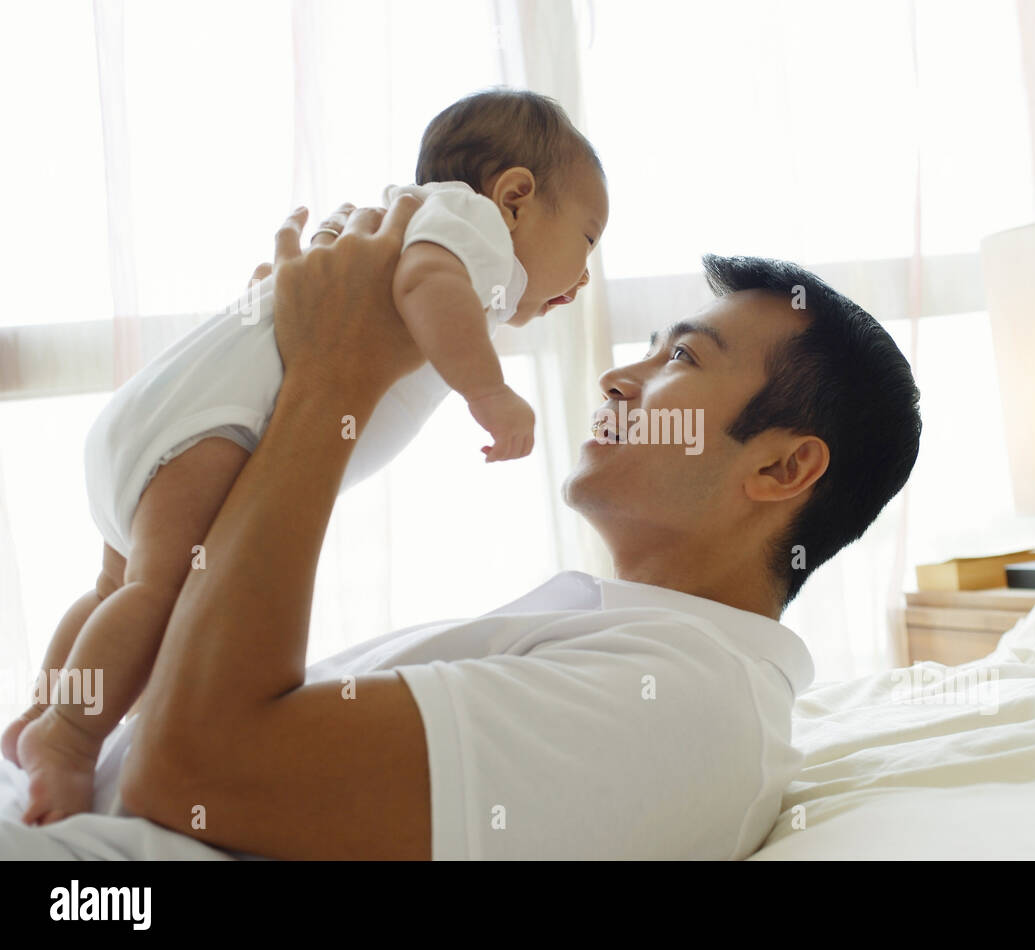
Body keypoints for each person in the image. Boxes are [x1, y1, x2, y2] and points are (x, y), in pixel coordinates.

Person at [28, 201, 922, 859]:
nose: (618, 377)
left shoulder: (696, 703)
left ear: (780, 469)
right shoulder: (627, 643)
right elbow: (169, 734)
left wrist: (331, 379)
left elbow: (194, 771)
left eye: (681, 357)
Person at [2, 89, 609, 826]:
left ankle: (42, 709)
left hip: (165, 416)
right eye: (586, 238)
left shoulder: (402, 215)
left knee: (117, 587)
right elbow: (428, 284)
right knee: (161, 594)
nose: (582, 280)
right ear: (516, 197)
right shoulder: (472, 227)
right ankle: (66, 741)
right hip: (209, 431)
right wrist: (489, 393)